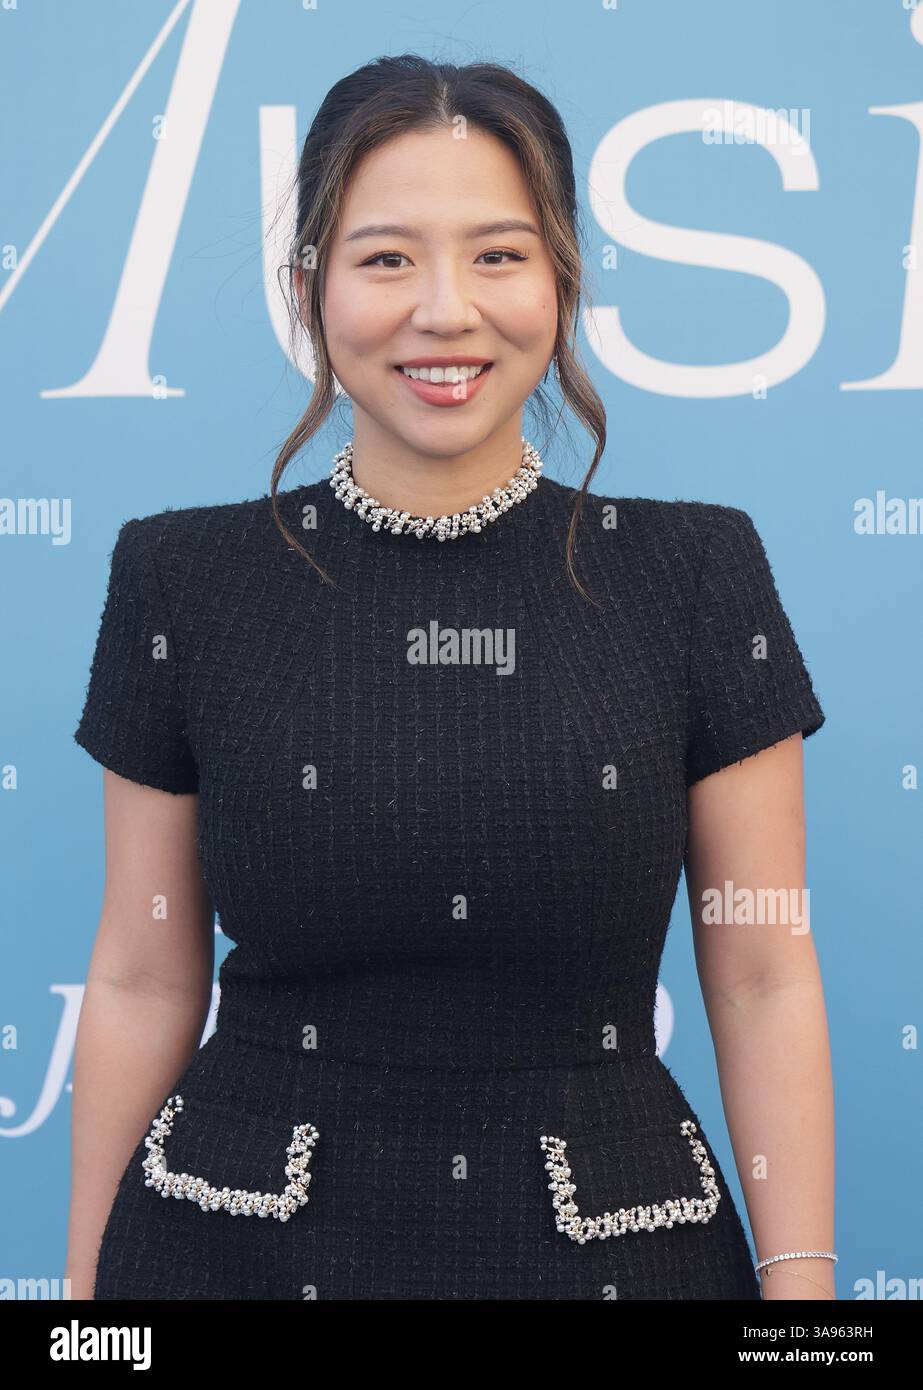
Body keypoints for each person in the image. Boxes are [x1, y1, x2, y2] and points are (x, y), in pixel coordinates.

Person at [66, 54, 834, 1301]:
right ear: (310, 292)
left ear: (560, 282)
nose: (443, 310)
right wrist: (83, 1317)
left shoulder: (694, 569)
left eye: (496, 254)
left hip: (616, 1251)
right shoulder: (183, 576)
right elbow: (143, 969)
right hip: (230, 1247)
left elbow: (758, 974)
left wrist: (805, 1312)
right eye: (384, 260)